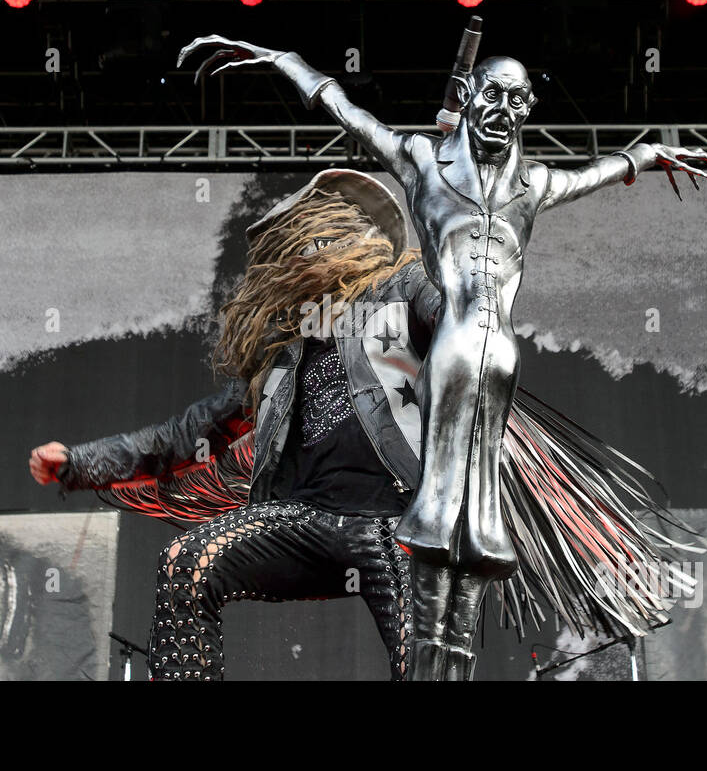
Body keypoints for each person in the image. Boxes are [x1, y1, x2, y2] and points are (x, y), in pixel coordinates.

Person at [177, 35, 707, 679]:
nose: (507, 110)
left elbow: (597, 173)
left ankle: (455, 664)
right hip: (455, 351)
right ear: (466, 96)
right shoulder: (424, 165)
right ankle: (431, 662)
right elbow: (350, 114)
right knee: (439, 504)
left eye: (521, 101)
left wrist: (649, 155)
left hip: (501, 361)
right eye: (495, 94)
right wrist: (284, 62)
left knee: (482, 515)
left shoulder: (532, 186)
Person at [30, 170, 437, 680]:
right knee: (186, 562)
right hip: (302, 522)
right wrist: (78, 462)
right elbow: (180, 438)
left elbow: (472, 333)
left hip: (397, 522)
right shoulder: (281, 358)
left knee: (426, 657)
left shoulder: (405, 288)